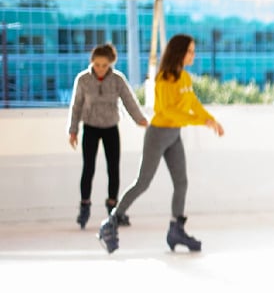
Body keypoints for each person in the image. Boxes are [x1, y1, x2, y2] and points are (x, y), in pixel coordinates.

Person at [98, 34, 224, 254]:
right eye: (190, 51)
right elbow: (168, 111)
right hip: (158, 134)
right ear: (179, 52)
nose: (193, 55)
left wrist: (211, 119)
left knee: (181, 182)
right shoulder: (164, 79)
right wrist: (201, 121)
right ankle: (111, 221)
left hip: (174, 134)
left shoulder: (184, 78)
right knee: (143, 182)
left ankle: (176, 229)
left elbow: (192, 103)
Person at [67, 43, 148, 229]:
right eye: (97, 65)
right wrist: (73, 130)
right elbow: (76, 106)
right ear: (92, 62)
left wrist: (140, 120)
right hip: (90, 128)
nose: (100, 69)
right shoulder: (83, 80)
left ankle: (114, 209)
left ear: (111, 64)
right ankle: (84, 206)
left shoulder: (118, 80)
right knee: (88, 168)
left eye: (104, 65)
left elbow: (129, 101)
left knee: (113, 169)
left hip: (111, 127)